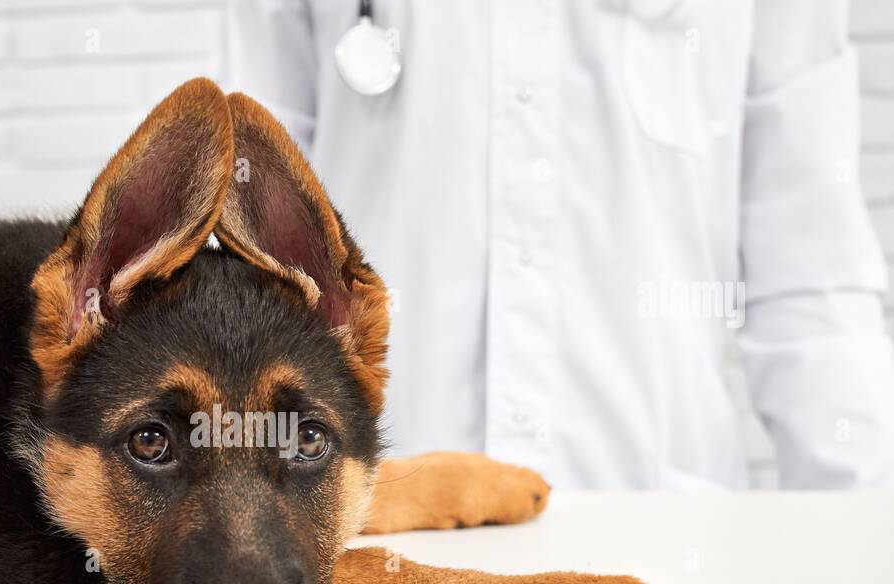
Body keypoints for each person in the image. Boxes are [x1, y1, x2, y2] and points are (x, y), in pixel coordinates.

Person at [221, 0, 894, 489]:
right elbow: (244, 236)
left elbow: (809, 263)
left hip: (660, 524)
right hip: (390, 526)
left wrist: (861, 547)